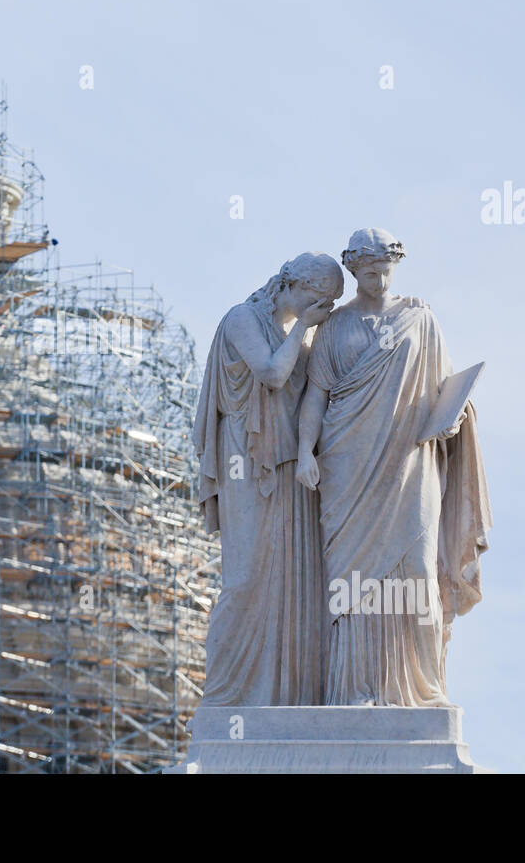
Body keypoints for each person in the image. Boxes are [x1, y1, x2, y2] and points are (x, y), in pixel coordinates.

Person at [297, 228, 491, 707]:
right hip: (346, 464)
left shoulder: (420, 319)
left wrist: (454, 419)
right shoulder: (335, 328)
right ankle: (355, 689)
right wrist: (304, 452)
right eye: (368, 273)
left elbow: (446, 388)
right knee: (354, 579)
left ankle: (421, 690)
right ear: (354, 273)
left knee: (417, 568)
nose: (378, 280)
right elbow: (315, 397)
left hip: (409, 460)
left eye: (385, 271)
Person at [194, 253, 343, 706]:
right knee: (245, 577)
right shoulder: (243, 318)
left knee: (292, 580)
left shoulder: (291, 333)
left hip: (289, 470)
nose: (322, 310)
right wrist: (304, 329)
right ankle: (226, 698)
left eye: (329, 305)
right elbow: (273, 375)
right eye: (317, 299)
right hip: (246, 458)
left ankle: (283, 697)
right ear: (290, 285)